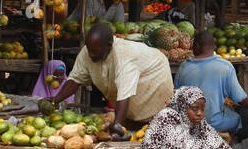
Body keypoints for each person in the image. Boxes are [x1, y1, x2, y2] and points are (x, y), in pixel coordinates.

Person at [45, 21, 174, 137]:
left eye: (95, 50)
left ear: (109, 45)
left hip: (155, 77)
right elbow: (75, 79)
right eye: (89, 49)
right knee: (129, 123)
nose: (91, 54)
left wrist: (117, 126)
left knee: (150, 125)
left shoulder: (123, 56)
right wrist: (56, 99)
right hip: (131, 90)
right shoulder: (87, 52)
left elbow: (124, 95)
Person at [175, 31, 248, 138]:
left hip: (189, 121)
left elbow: (176, 97)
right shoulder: (225, 66)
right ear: (214, 46)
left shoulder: (183, 67)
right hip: (214, 122)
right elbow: (240, 99)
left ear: (197, 45)